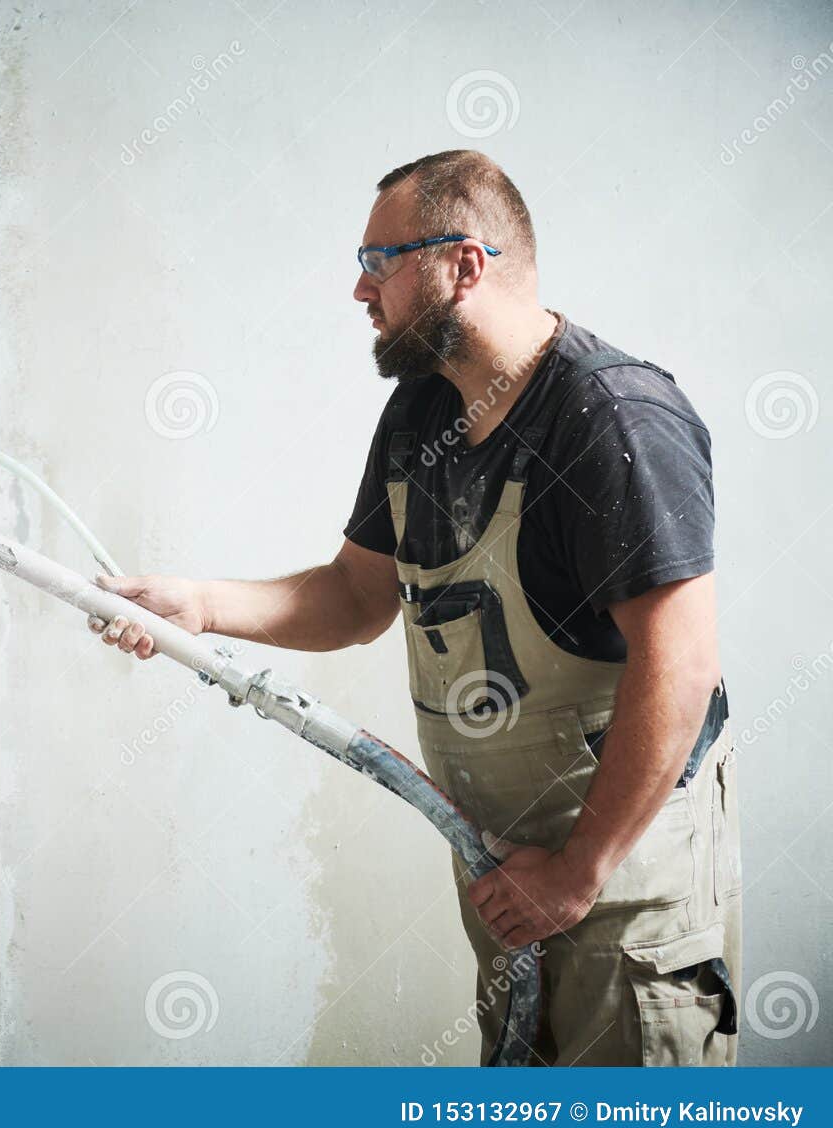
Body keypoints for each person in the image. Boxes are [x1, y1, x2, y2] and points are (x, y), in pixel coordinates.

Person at [92, 149, 741, 1066]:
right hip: (507, 866)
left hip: (622, 879)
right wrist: (194, 604)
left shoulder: (612, 417)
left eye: (380, 262)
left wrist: (579, 871)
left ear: (465, 263)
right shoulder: (420, 414)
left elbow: (681, 663)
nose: (361, 291)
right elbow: (354, 595)